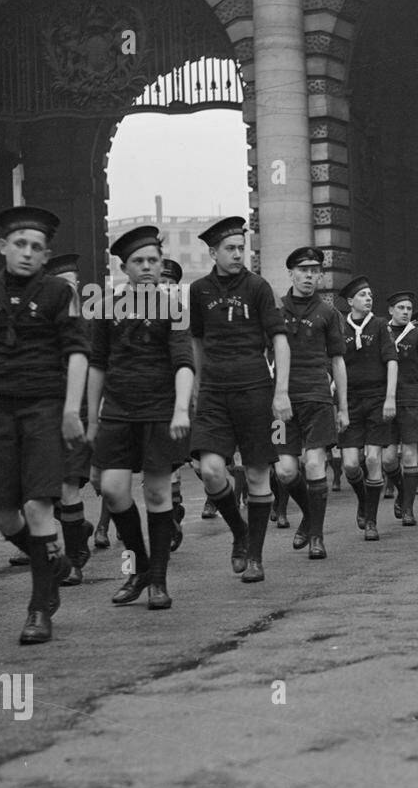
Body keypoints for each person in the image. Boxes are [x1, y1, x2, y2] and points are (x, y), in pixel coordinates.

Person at [0, 206, 88, 642]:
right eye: (20, 244)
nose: (27, 253)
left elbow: (77, 353)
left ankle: (39, 608)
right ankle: (54, 563)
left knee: (39, 507)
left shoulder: (56, 294)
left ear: (46, 256)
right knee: (3, 514)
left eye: (37, 248)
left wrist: (70, 409)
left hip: (44, 409)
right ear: (4, 248)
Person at [86, 224, 193, 608]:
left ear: (161, 263)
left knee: (157, 492)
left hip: (160, 411)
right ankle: (139, 566)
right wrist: (92, 418)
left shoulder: (173, 309)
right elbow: (97, 365)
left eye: (153, 260)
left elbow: (184, 363)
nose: (147, 266)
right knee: (113, 491)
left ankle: (158, 582)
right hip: (117, 411)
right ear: (124, 268)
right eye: (138, 261)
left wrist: (181, 408)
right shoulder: (105, 307)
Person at [188, 216, 291, 584]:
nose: (236, 254)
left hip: (254, 389)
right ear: (213, 252)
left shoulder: (258, 287)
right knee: (211, 470)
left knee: (257, 473)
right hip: (214, 392)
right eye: (229, 249)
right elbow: (197, 341)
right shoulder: (199, 290)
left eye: (240, 248)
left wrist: (281, 391)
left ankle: (256, 557)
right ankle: (239, 531)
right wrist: (198, 385)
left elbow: (279, 338)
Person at [272, 247, 346, 559]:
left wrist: (342, 406)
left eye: (315, 270)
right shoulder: (274, 310)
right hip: (280, 403)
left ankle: (317, 536)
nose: (310, 276)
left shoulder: (329, 313)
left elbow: (338, 361)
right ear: (291, 273)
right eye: (303, 270)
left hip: (317, 396)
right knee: (285, 471)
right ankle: (309, 515)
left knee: (315, 463)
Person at [46, 253, 96, 586]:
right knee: (44, 490)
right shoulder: (44, 323)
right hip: (45, 410)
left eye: (74, 282)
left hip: (78, 411)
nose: (71, 288)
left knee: (67, 486)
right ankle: (78, 528)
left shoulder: (94, 320)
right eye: (63, 284)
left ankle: (75, 559)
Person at [337, 274, 397, 540]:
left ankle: (371, 521)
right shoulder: (340, 328)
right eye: (363, 295)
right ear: (351, 301)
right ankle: (363, 499)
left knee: (373, 459)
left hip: (376, 398)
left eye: (370, 295)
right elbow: (334, 363)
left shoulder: (381, 325)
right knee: (350, 465)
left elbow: (392, 362)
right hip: (350, 399)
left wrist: (390, 398)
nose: (369, 298)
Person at [381, 291, 418, 526]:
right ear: (391, 310)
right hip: (385, 400)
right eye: (401, 308)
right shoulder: (381, 331)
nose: (405, 312)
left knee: (411, 455)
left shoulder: (417, 335)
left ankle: (407, 509)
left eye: (408, 308)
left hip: (412, 398)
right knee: (388, 459)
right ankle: (403, 491)